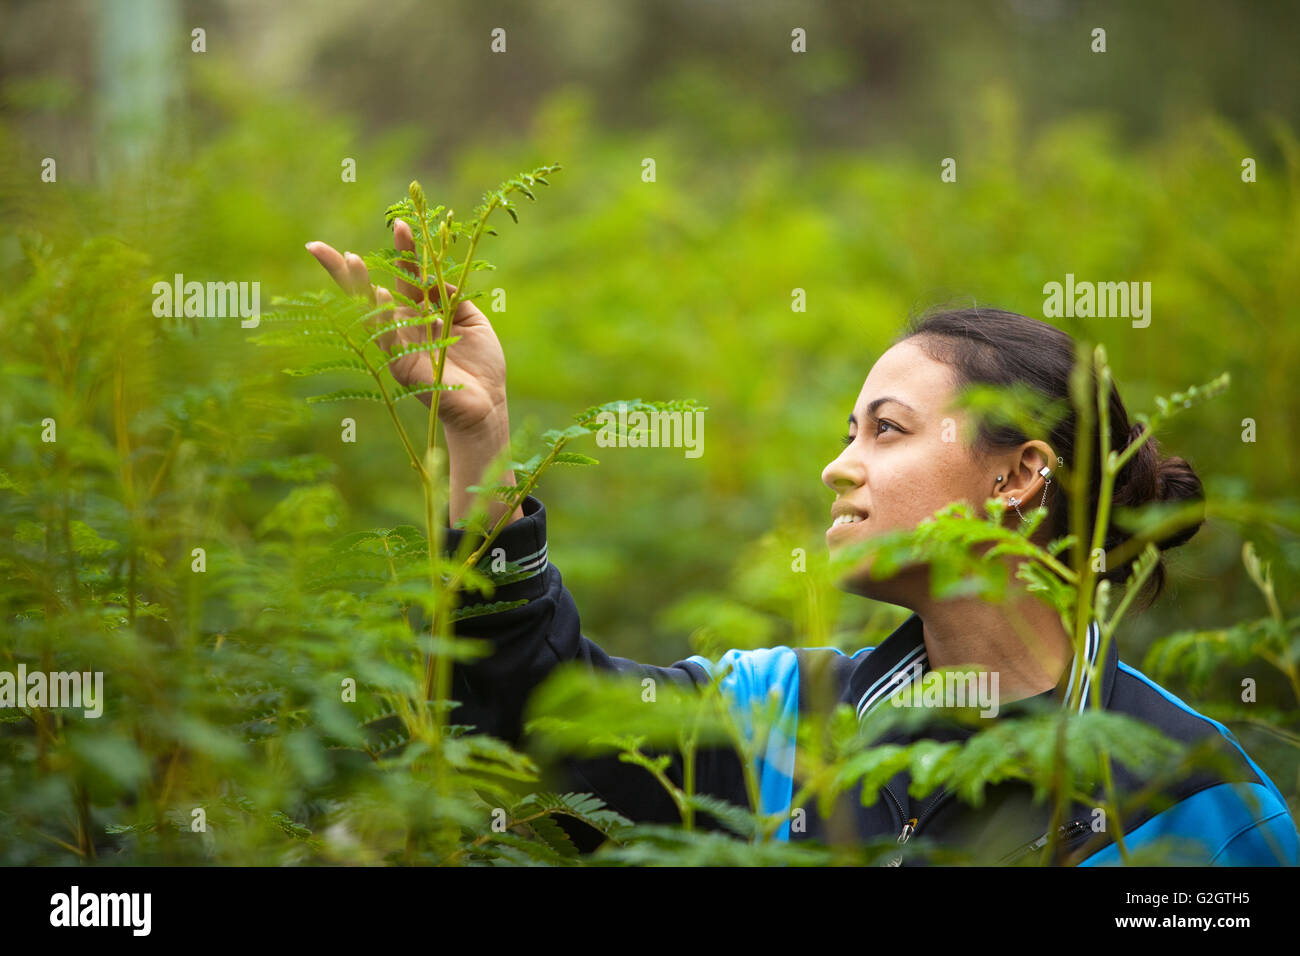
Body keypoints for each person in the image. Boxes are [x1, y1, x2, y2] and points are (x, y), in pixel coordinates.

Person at [306, 226, 1299, 866]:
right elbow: (544, 721)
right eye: (844, 432)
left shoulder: (1203, 805)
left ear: (1013, 475)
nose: (838, 466)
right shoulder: (778, 718)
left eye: (886, 430)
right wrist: (481, 441)